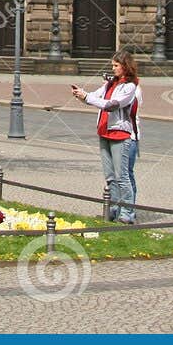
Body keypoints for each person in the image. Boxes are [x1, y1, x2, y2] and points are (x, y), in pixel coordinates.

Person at [71, 50, 141, 224]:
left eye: (116, 65)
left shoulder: (130, 87)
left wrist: (87, 97)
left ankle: (127, 212)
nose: (113, 68)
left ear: (125, 67)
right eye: (112, 65)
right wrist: (82, 95)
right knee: (110, 177)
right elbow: (96, 96)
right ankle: (114, 209)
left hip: (120, 135)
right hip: (104, 132)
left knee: (122, 176)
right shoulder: (110, 84)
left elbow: (111, 105)